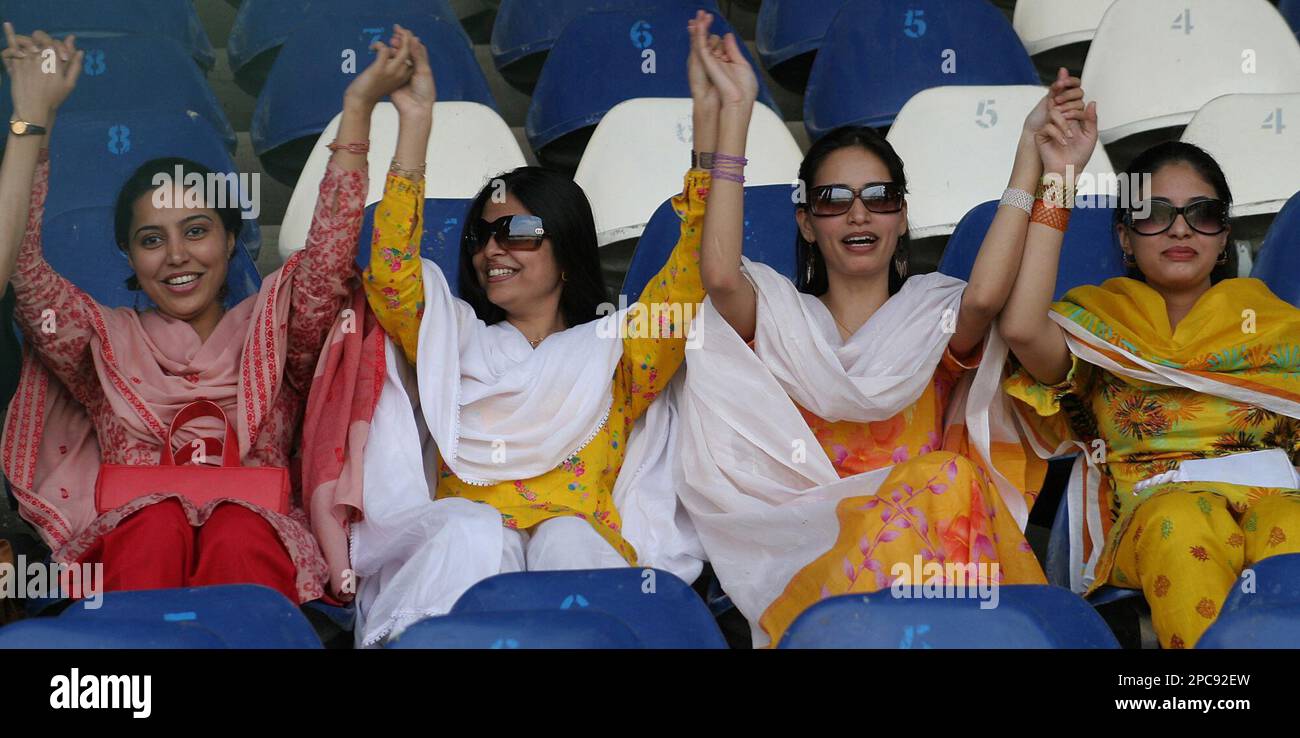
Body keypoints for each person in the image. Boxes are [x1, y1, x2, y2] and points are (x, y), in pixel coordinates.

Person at [673, 12, 1091, 647]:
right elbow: (720, 277)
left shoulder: (931, 314)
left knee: (945, 481)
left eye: (879, 197)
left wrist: (1038, 164)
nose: (858, 214)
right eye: (834, 200)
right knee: (944, 480)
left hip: (932, 557)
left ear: (901, 217)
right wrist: (735, 113)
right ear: (807, 222)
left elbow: (984, 296)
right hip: (813, 564)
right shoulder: (779, 317)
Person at [0, 24, 432, 605]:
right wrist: (32, 119)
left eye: (197, 231)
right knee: (151, 527)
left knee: (238, 528)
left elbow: (331, 244)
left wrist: (357, 109)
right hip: (133, 559)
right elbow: (18, 264)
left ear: (232, 240)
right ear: (128, 255)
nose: (176, 255)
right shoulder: (95, 341)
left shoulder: (279, 328)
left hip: (256, 540)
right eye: (152, 239)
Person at [348, 17, 726, 647]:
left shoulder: (615, 354)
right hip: (467, 566)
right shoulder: (452, 340)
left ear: (569, 253)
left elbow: (691, 275)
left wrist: (712, 135)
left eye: (519, 233)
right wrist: (414, 125)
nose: (494, 248)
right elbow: (390, 275)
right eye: (482, 234)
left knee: (565, 536)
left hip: (574, 570)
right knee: (471, 530)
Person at [1000, 133, 1300, 648]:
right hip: (1157, 512)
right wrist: (1061, 179)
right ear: (1124, 236)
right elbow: (1024, 329)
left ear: (1224, 236)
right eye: (1154, 212)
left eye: (1201, 213)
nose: (1179, 228)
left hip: (1275, 499)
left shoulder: (1275, 325)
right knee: (1182, 521)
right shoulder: (1097, 324)